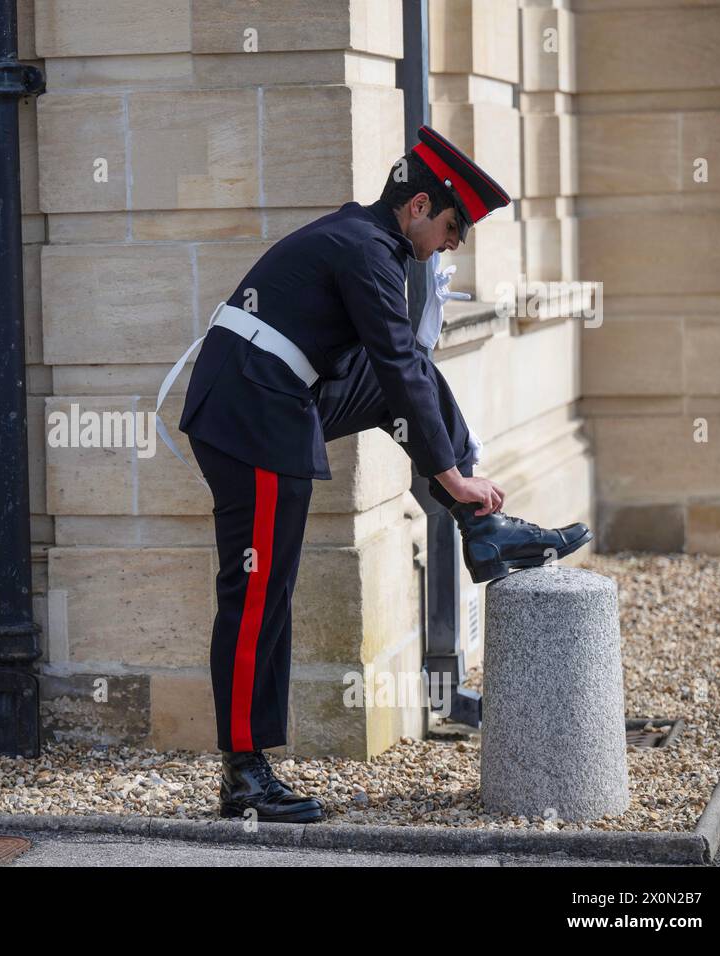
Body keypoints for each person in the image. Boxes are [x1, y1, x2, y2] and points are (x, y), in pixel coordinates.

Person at [167, 125, 592, 822]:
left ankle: (481, 532)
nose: (456, 242)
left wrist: (457, 479)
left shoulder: (368, 239)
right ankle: (244, 773)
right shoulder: (366, 250)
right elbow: (391, 360)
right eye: (454, 225)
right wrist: (451, 475)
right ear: (419, 207)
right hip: (252, 412)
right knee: (257, 592)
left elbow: (399, 370)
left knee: (412, 375)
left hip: (274, 392)